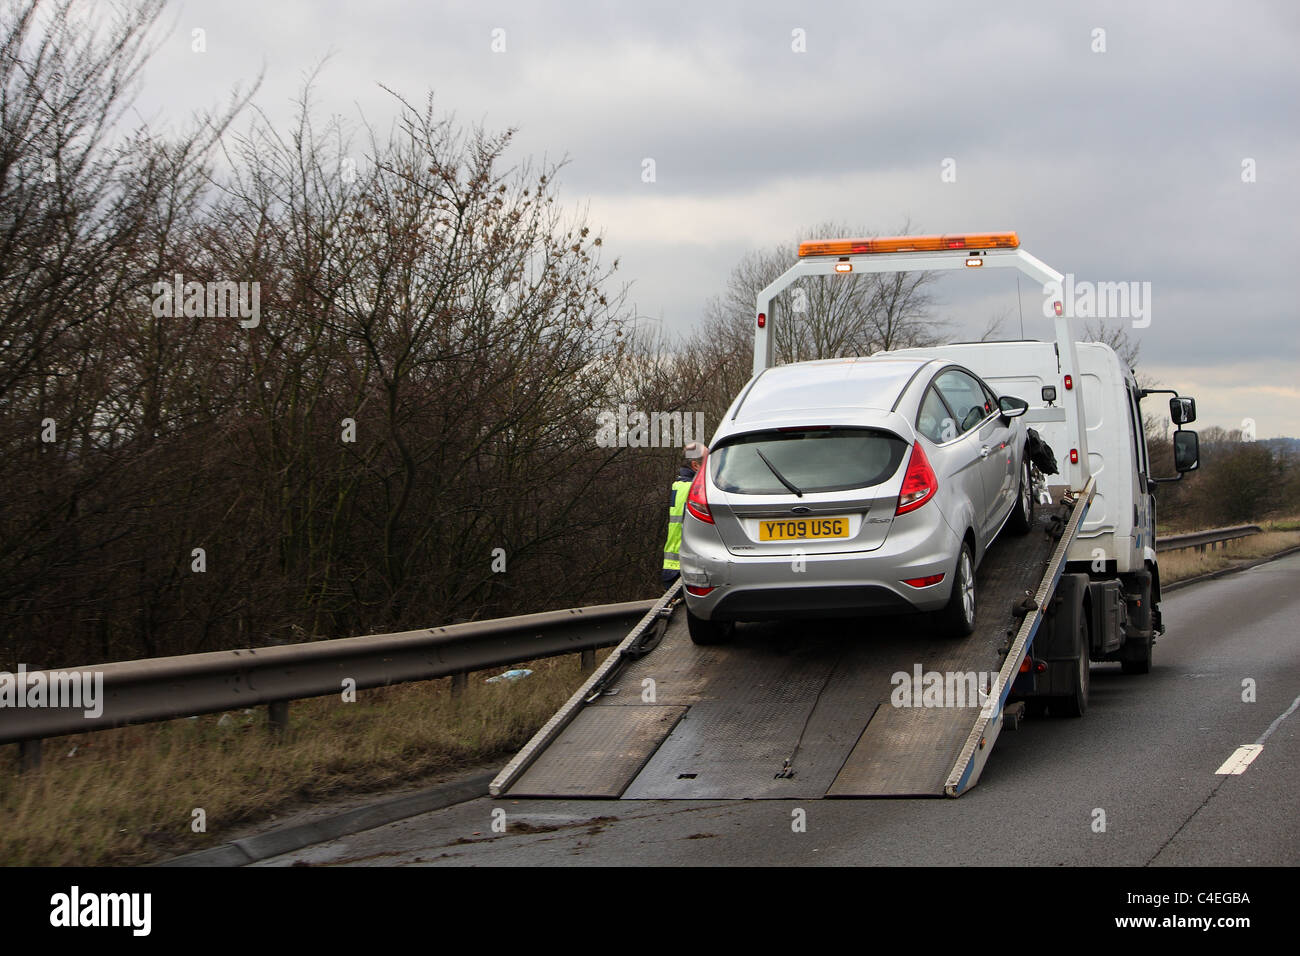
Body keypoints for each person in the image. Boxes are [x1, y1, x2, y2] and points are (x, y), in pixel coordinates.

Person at [662, 441, 706, 589]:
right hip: (687, 567)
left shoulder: (679, 485)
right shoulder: (696, 489)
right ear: (696, 466)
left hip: (674, 566)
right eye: (708, 461)